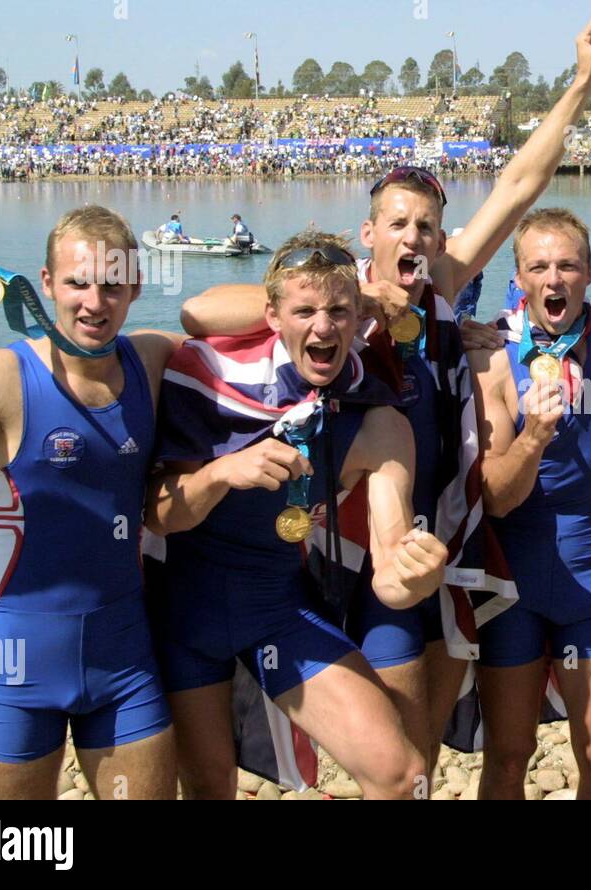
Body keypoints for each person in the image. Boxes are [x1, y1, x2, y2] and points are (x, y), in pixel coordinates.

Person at [180, 6, 591, 778]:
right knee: (375, 751)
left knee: (411, 760)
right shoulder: (331, 304)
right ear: (369, 233)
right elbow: (197, 312)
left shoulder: (445, 294)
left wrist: (582, 82)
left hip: (435, 550)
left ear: (441, 243)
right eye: (398, 223)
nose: (413, 237)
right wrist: (347, 303)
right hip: (327, 549)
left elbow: (519, 185)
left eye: (426, 226)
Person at [144, 231, 449, 799]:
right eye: (304, 311)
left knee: (403, 776)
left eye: (338, 311)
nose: (323, 327)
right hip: (184, 611)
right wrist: (219, 474)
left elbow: (389, 566)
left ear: (361, 319)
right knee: (209, 786)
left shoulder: (377, 418)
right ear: (271, 318)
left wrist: (416, 575)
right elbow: (159, 515)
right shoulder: (207, 374)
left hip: (274, 611)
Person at [0, 205, 187, 799]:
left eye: (112, 284)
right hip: (15, 664)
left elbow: (261, 333)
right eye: (77, 283)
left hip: (124, 661)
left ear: (136, 287)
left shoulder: (149, 359)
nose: (95, 302)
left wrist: (366, 295)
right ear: (46, 284)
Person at [468, 208, 591, 799]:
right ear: (518, 278)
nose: (554, 278)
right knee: (511, 758)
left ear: (590, 272)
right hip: (513, 578)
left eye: (568, 264)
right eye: (538, 266)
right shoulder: (491, 353)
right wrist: (534, 435)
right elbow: (495, 495)